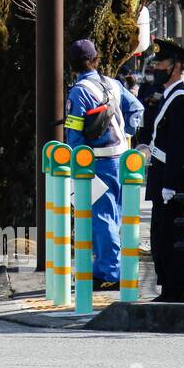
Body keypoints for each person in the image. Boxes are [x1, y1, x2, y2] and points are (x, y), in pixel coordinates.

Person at [63, 39, 144, 290]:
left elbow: (75, 133)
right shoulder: (113, 84)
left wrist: (76, 164)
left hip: (96, 161)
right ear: (96, 59)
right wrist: (126, 131)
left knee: (101, 217)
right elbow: (137, 109)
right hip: (122, 157)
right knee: (116, 215)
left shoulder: (79, 92)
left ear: (72, 64)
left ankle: (112, 271)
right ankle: (102, 269)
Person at [135, 38, 184, 302]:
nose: (157, 67)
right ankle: (167, 288)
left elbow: (179, 147)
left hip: (173, 179)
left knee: (171, 237)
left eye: (162, 62)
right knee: (159, 236)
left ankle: (176, 290)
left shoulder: (182, 100)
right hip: (161, 175)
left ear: (176, 66)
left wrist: (171, 184)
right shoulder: (167, 97)